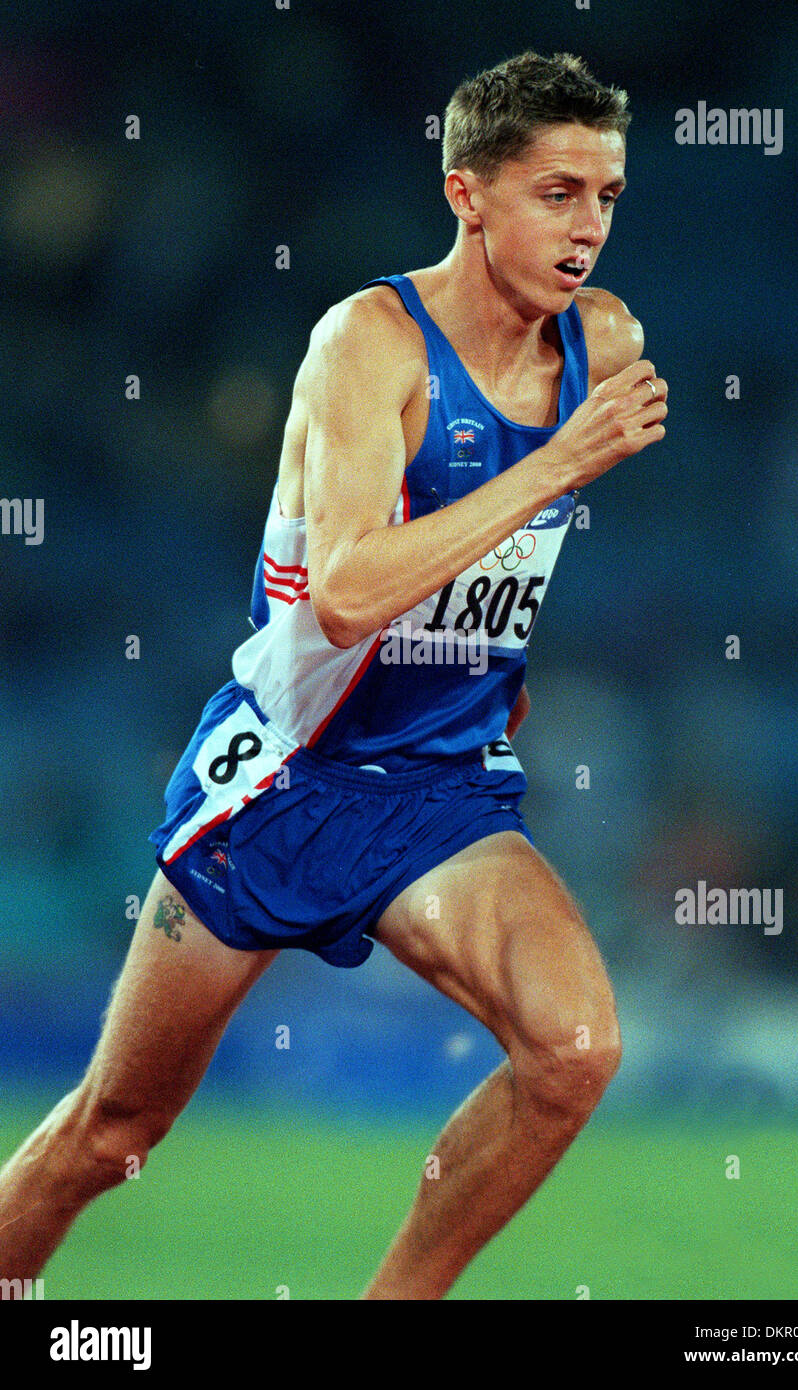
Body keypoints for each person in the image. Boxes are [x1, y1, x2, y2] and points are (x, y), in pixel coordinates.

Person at [0, 50, 667, 1300]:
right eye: (555, 193)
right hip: (285, 778)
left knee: (573, 1049)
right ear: (466, 194)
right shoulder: (369, 344)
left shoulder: (603, 340)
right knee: (112, 1134)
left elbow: (498, 558)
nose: (587, 229)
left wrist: (489, 661)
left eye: (607, 197)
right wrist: (557, 465)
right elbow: (352, 592)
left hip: (437, 789)